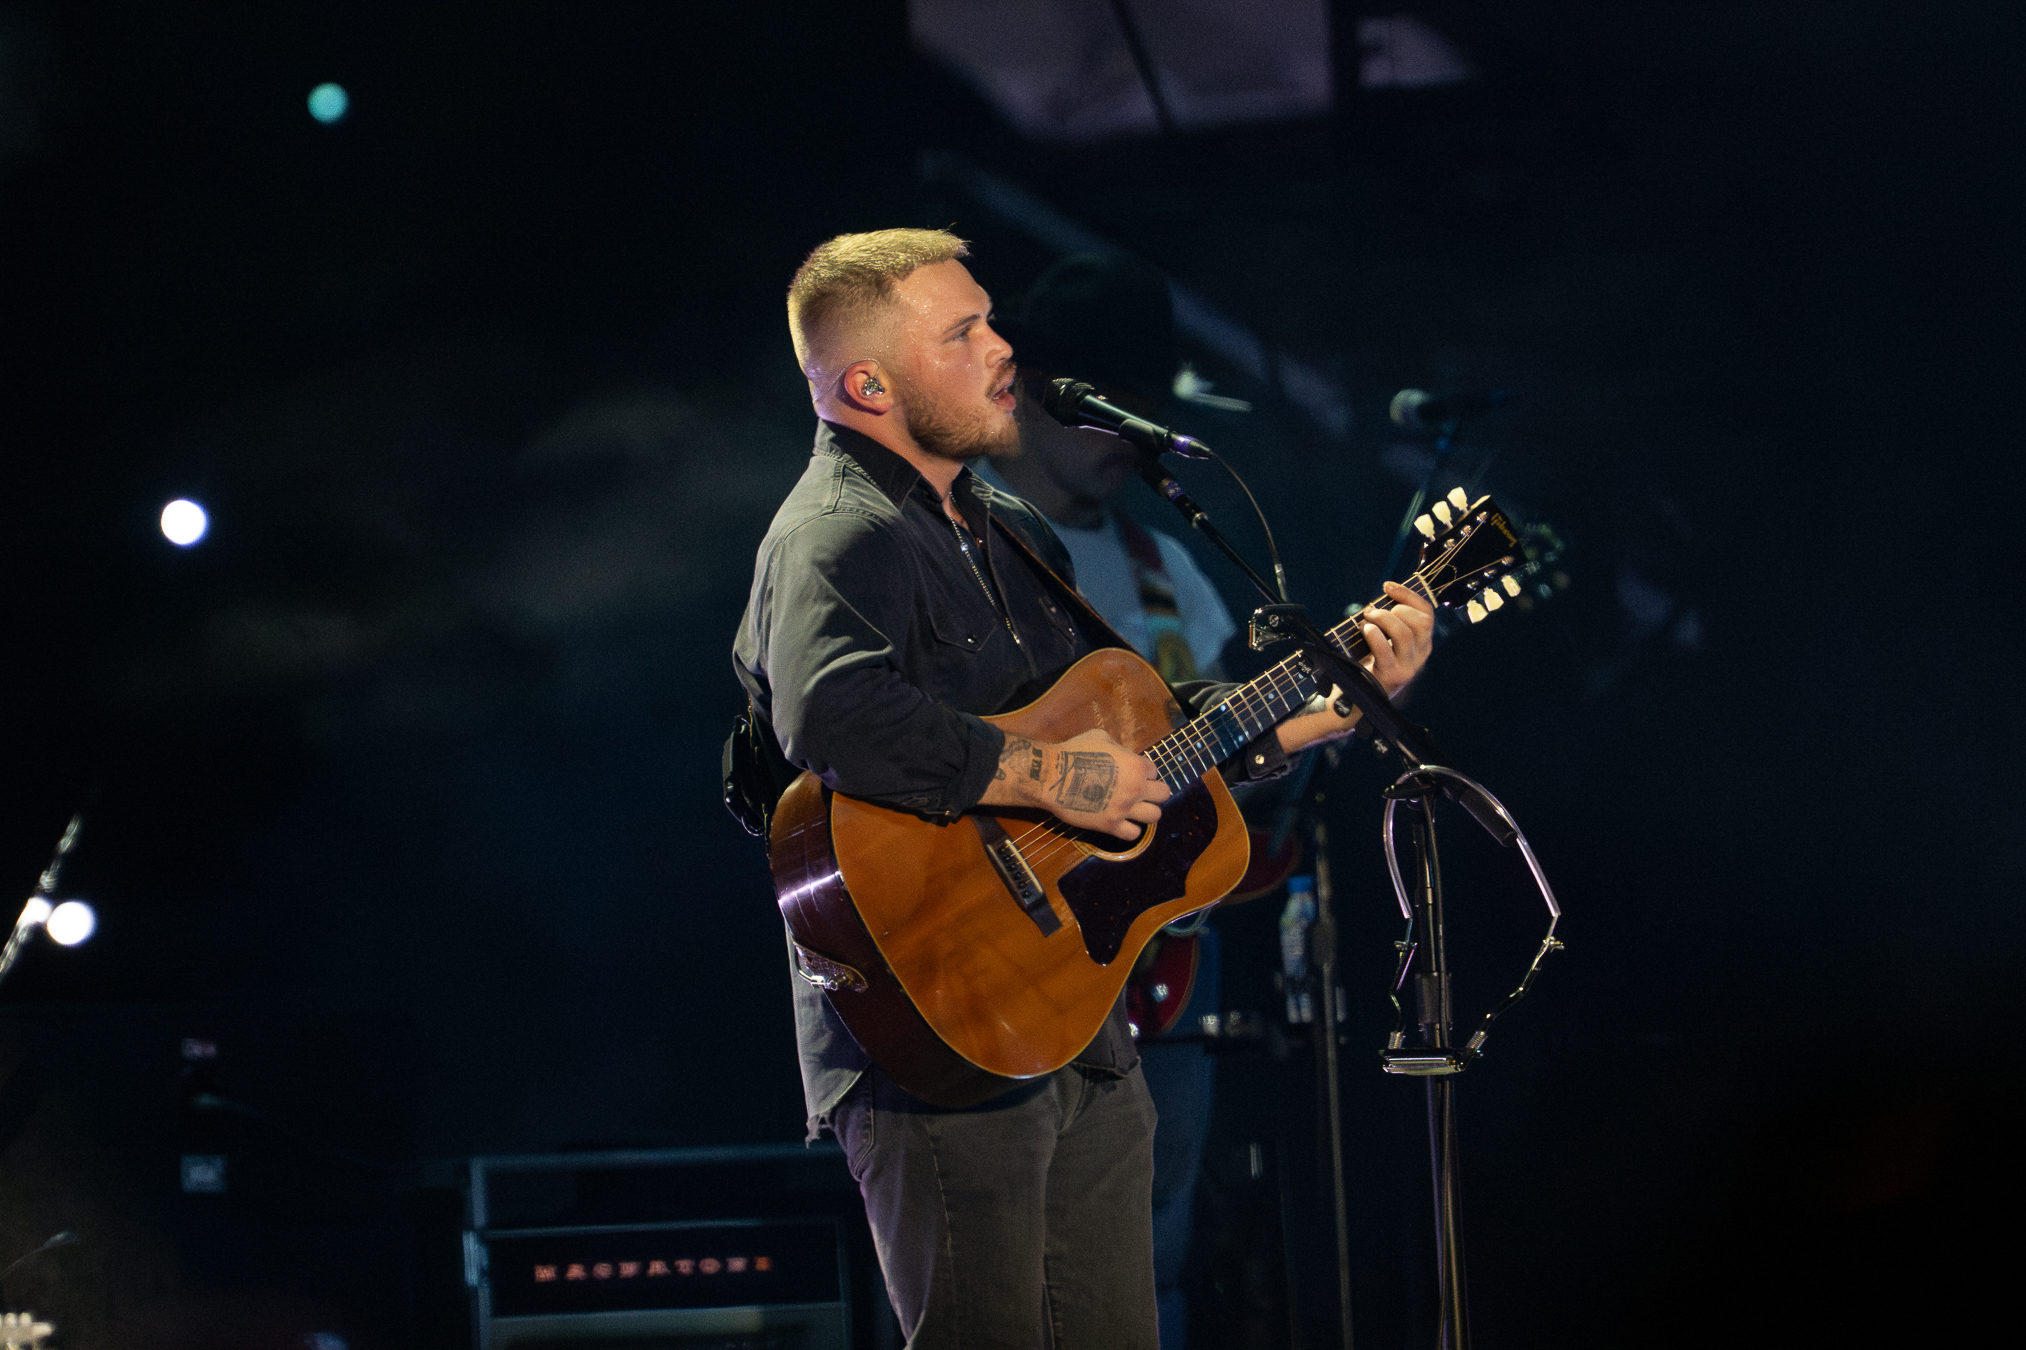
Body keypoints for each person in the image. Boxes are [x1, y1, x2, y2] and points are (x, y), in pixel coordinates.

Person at [732, 228, 1433, 1349]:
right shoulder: (836, 532)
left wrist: (1332, 701)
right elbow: (832, 716)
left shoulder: (1009, 529)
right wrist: (1055, 776)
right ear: (867, 383)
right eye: (961, 332)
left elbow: (1138, 749)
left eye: (991, 318)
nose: (1002, 349)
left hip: (1075, 1008)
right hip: (938, 1023)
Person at [979, 251, 1253, 1350]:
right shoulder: (965, 539)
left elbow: (1234, 733)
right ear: (1045, 390)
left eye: (1145, 410)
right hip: (1010, 929)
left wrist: (1348, 698)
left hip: (1161, 939)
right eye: (1110, 407)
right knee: (1011, 1249)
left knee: (1153, 1243)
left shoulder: (1162, 568)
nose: (1129, 437)